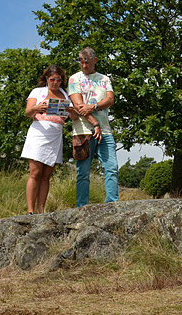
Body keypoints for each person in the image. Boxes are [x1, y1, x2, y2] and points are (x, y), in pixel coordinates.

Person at [22, 65, 83, 213]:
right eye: (52, 79)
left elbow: (74, 117)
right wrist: (38, 107)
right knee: (35, 173)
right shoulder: (38, 91)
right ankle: (30, 211)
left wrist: (70, 110)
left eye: (58, 80)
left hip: (56, 134)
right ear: (47, 79)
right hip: (39, 132)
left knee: (46, 175)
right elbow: (28, 112)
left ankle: (40, 210)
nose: (55, 82)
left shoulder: (64, 94)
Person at [68, 46, 118, 207]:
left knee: (111, 167)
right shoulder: (74, 79)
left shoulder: (104, 79)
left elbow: (110, 100)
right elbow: (78, 105)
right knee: (83, 172)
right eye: (81, 62)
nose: (84, 65)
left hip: (105, 131)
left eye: (87, 61)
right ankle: (82, 207)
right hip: (83, 131)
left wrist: (95, 106)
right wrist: (94, 123)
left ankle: (112, 204)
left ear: (95, 60)